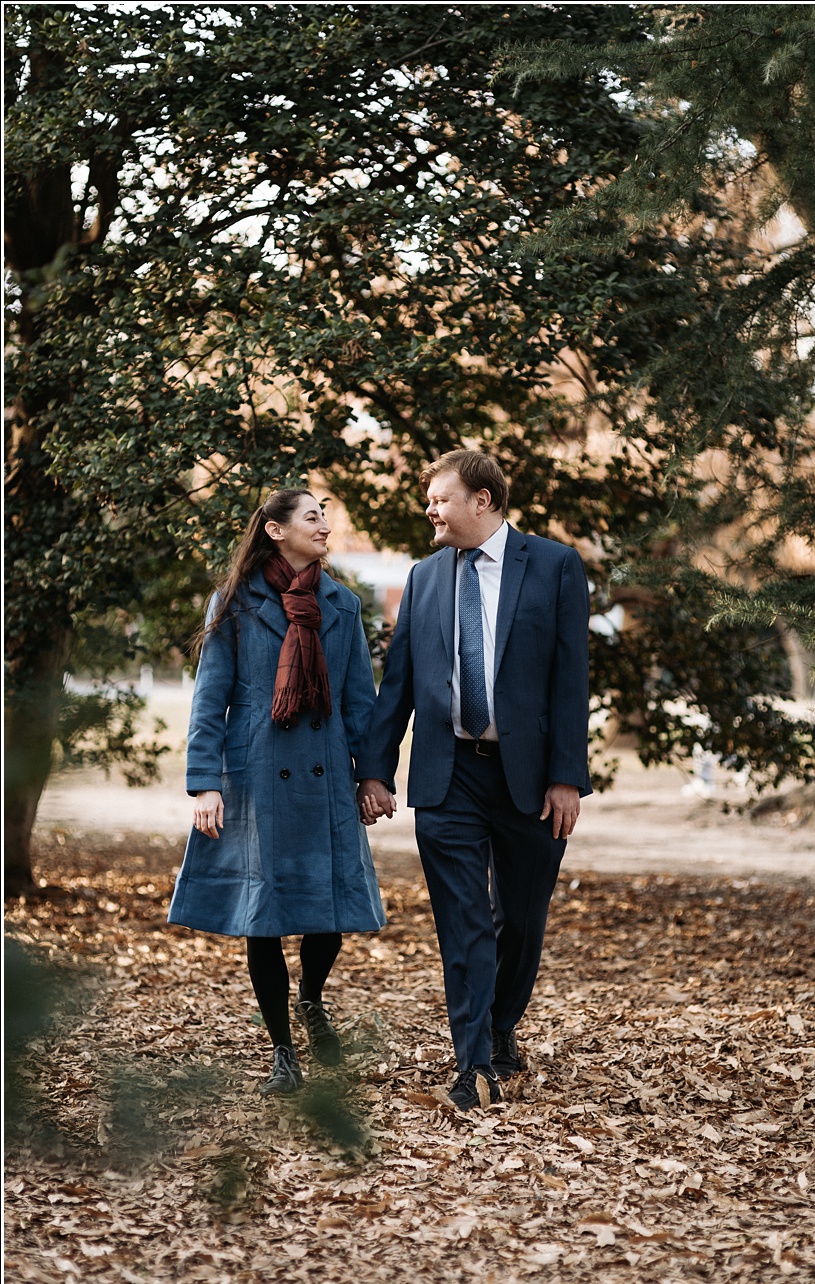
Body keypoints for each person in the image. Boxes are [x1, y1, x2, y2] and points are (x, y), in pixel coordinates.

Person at [357, 450, 591, 1112]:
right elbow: (397, 684)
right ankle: (474, 1062)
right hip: (448, 773)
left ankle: (498, 1022)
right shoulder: (424, 578)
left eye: (440, 498)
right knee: (463, 922)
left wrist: (567, 778)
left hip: (531, 780)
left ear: (481, 501)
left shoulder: (554, 566)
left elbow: (570, 681)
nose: (430, 509)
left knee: (519, 919)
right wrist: (374, 768)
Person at [169, 489, 386, 1095]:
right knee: (262, 917)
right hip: (257, 772)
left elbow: (358, 702)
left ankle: (311, 998)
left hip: (324, 773)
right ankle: (283, 1053)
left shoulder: (341, 603)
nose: (325, 524)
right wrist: (204, 784)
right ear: (274, 530)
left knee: (328, 911)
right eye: (312, 515)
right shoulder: (235, 603)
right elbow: (211, 698)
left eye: (325, 515)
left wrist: (371, 776)